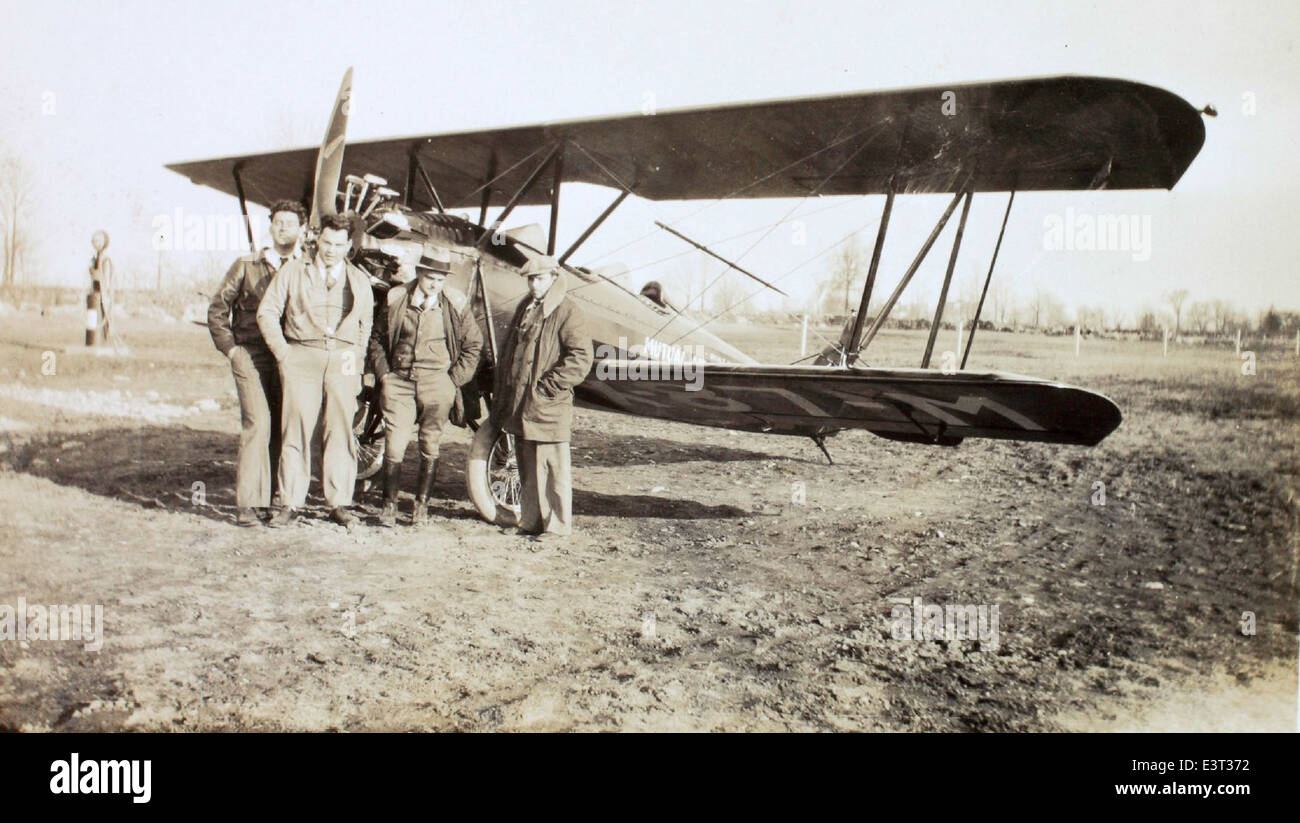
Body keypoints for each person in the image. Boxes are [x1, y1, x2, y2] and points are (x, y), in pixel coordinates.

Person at [257, 213, 373, 530]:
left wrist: (356, 360)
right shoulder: (293, 272)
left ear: (349, 245)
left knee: (341, 430)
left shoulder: (359, 281)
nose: (331, 250)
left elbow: (365, 325)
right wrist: (284, 353)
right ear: (317, 240)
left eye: (339, 245)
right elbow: (267, 313)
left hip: (343, 360)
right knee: (295, 429)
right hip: (302, 357)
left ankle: (340, 502)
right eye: (326, 242)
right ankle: (290, 502)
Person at [368, 248, 483, 527]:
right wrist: (384, 375)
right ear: (419, 273)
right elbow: (377, 339)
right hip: (400, 383)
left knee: (430, 445)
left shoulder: (454, 304)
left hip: (437, 385)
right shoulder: (397, 299)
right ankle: (389, 506)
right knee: (394, 445)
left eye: (440, 279)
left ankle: (421, 506)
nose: (434, 284)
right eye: (430, 277)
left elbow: (473, 345)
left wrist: (452, 381)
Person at [208, 200, 306, 526]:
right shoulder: (246, 264)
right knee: (258, 423)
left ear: (301, 229)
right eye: (278, 222)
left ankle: (272, 499)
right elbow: (218, 309)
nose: (283, 228)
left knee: (281, 426)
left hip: (287, 358)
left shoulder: (304, 268)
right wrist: (231, 349)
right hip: (250, 353)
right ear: (271, 226)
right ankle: (247, 505)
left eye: (290, 223)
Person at [492, 254, 592, 538]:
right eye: (530, 279)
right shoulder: (527, 306)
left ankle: (557, 527)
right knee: (528, 468)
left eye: (539, 279)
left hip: (548, 405)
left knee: (553, 470)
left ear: (553, 278)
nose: (534, 285)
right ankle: (530, 522)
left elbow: (581, 358)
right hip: (522, 404)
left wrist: (547, 387)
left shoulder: (568, 310)